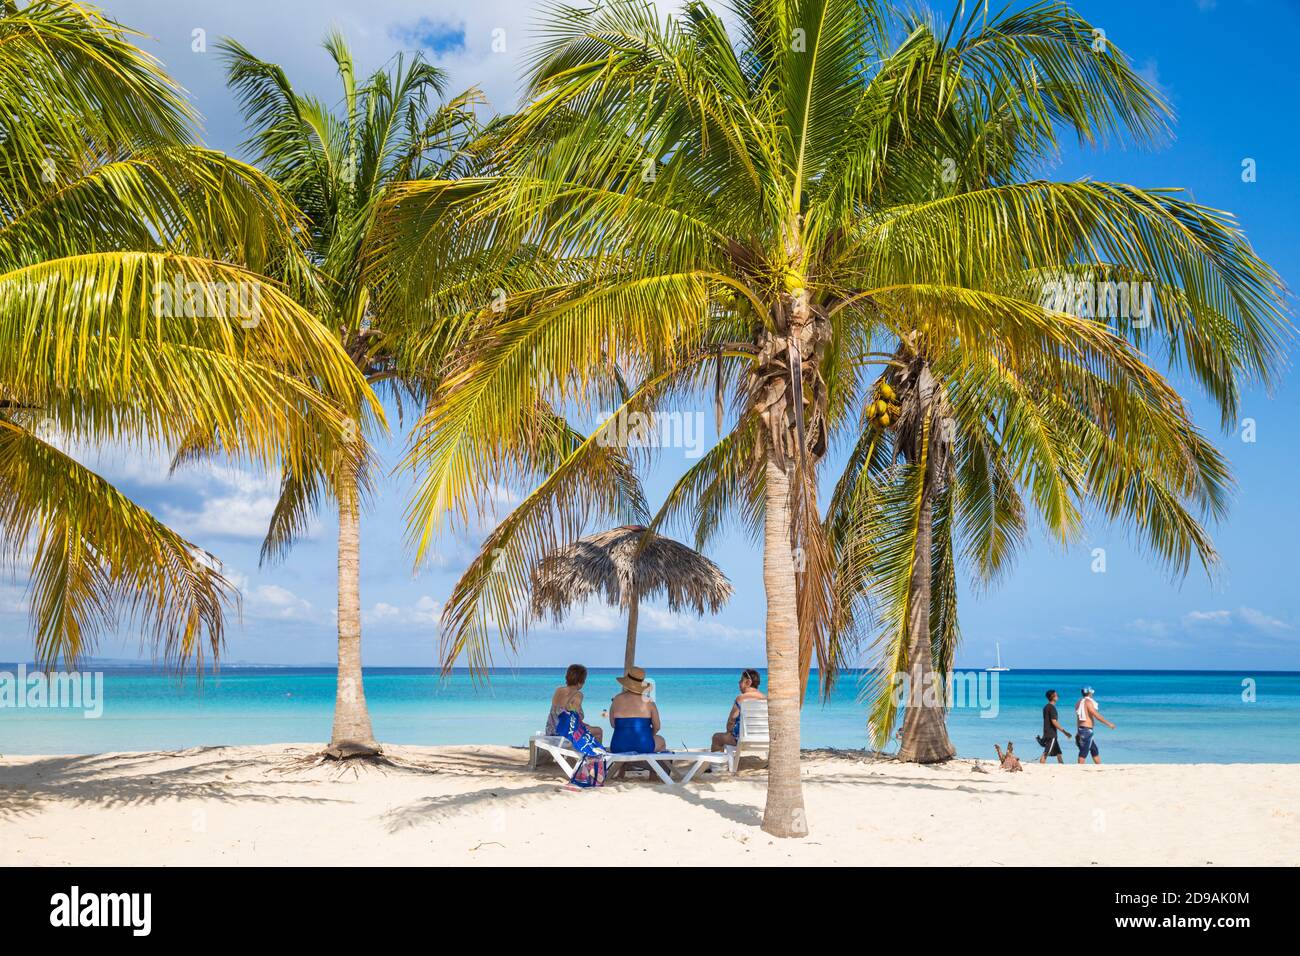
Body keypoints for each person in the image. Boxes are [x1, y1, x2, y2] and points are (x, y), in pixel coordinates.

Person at [607, 665, 666, 754]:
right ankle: (649, 766)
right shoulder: (649, 702)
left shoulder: (616, 699)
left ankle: (627, 765)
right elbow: (657, 727)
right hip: (644, 746)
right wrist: (649, 735)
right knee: (661, 740)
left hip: (618, 746)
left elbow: (613, 724)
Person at [546, 664, 602, 745]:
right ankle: (596, 756)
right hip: (565, 735)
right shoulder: (578, 695)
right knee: (598, 731)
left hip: (551, 732)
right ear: (581, 681)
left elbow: (564, 715)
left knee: (587, 727)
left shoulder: (558, 690)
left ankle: (589, 754)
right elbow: (575, 719)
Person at [711, 668, 765, 752]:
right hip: (763, 738)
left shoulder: (741, 699)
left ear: (748, 682)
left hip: (743, 739)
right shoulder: (765, 698)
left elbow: (731, 720)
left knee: (716, 738)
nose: (739, 683)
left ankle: (718, 765)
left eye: (741, 680)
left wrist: (728, 731)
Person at [1074, 686, 1116, 764]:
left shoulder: (1078, 703)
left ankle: (1099, 766)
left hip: (1082, 729)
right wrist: (1109, 724)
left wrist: (1078, 731)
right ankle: (1079, 769)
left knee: (1094, 749)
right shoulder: (1088, 702)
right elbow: (1096, 715)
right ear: (1089, 693)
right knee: (1083, 752)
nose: (1092, 694)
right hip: (1086, 730)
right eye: (1091, 693)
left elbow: (1078, 719)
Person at [1038, 689, 1072, 764]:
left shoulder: (1046, 707)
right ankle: (1041, 767)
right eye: (1056, 695)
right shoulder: (1052, 708)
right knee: (1045, 753)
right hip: (1051, 734)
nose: (1058, 696)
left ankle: (1062, 767)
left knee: (1059, 753)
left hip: (1047, 732)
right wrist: (1065, 732)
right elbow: (1054, 722)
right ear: (1053, 697)